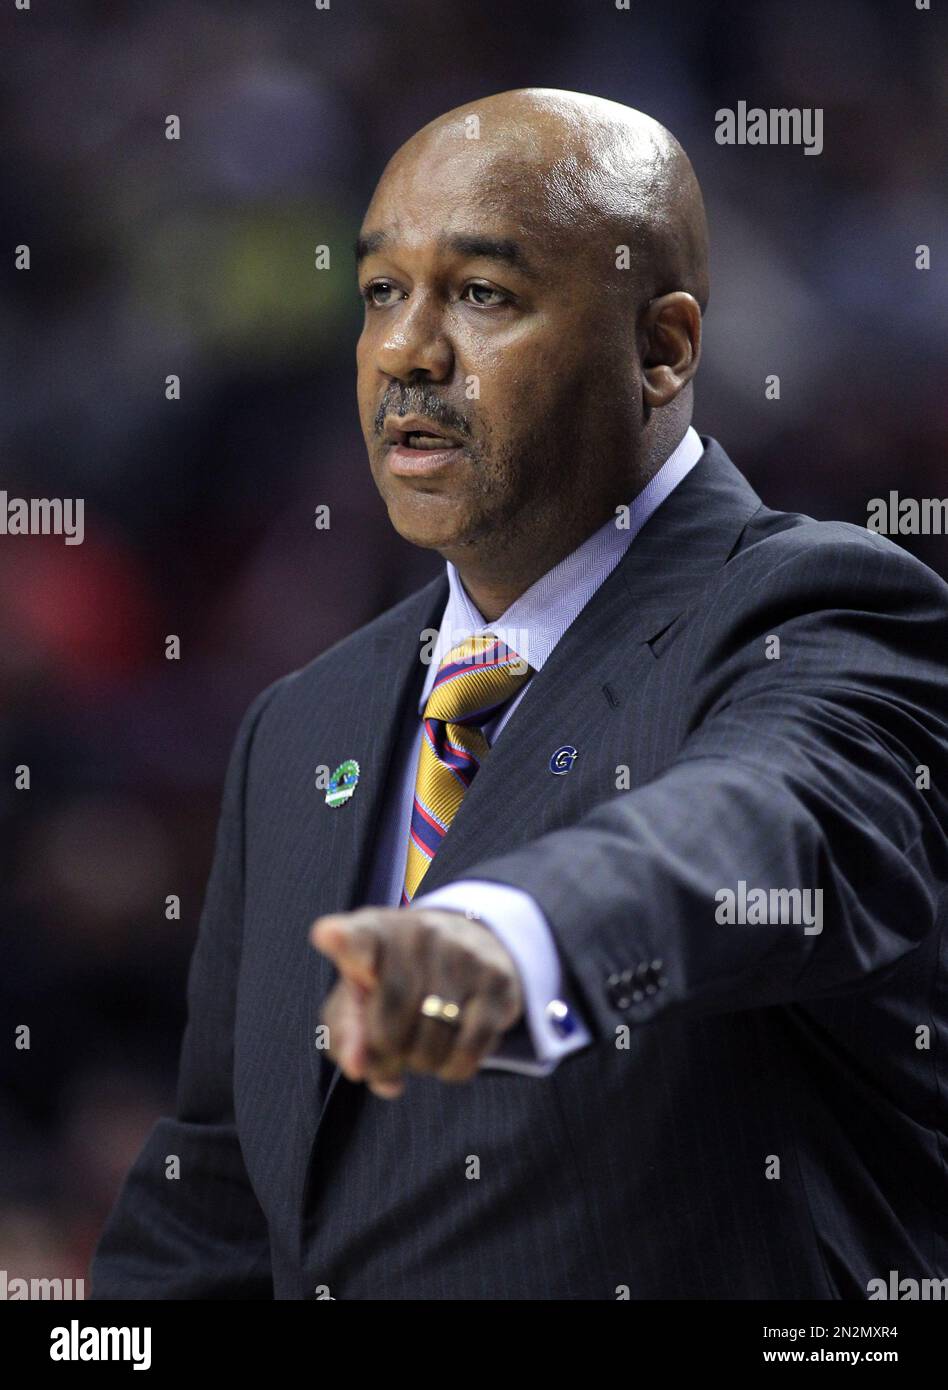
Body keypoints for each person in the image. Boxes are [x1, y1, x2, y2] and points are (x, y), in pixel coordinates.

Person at [90, 88, 948, 1300]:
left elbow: (764, 822)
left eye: (482, 295)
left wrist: (516, 934)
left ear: (663, 349)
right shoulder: (301, 726)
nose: (406, 350)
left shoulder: (822, 608)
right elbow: (221, 1197)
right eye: (382, 291)